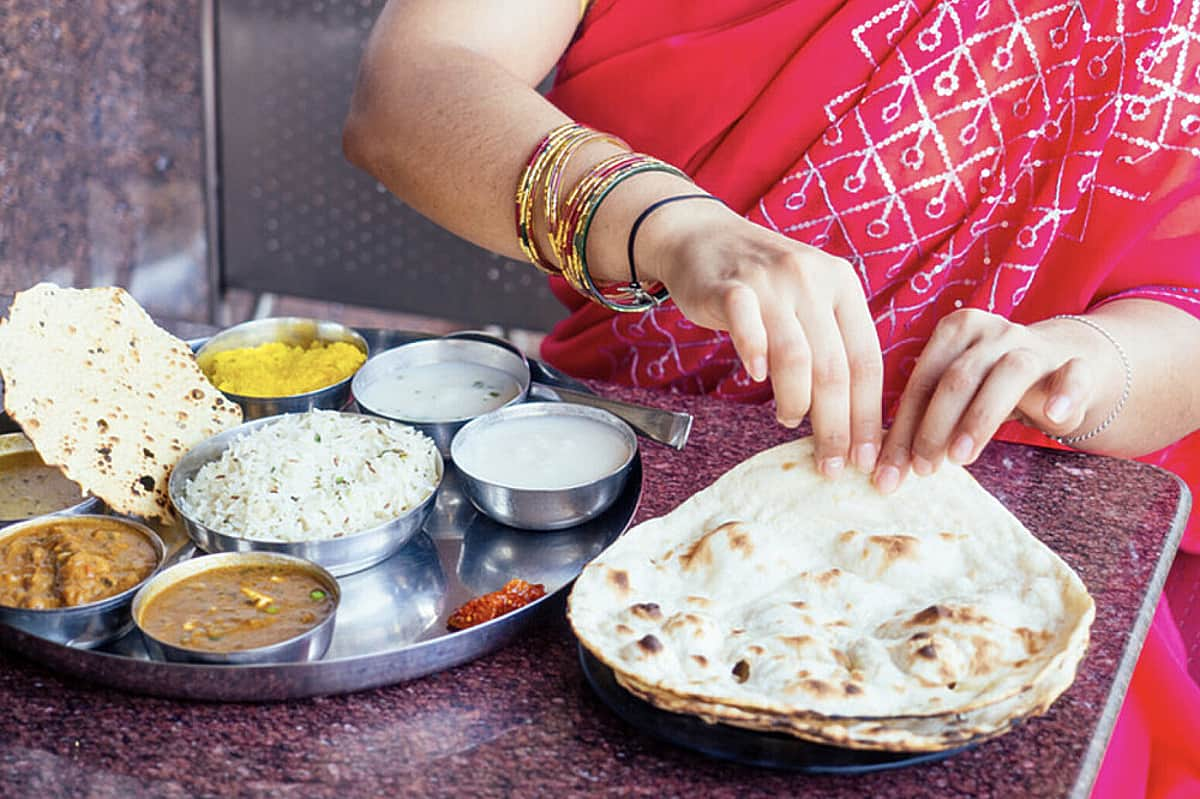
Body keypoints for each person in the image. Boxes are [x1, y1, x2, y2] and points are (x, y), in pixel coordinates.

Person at [342, 1, 1200, 795]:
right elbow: (412, 86)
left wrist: (1088, 363)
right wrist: (674, 228)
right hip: (640, 484)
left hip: (1001, 566)